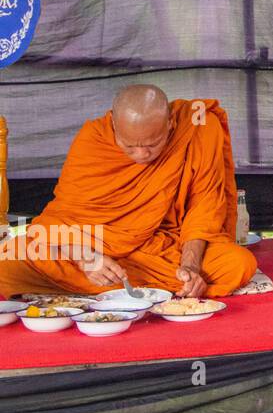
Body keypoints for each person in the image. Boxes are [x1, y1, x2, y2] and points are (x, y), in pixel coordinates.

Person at [0, 85, 256, 298]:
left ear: (170, 123)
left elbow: (205, 206)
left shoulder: (198, 126)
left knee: (238, 264)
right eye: (129, 146)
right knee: (9, 261)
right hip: (100, 247)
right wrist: (85, 258)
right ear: (113, 123)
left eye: (153, 144)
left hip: (169, 249)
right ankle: (151, 289)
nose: (142, 154)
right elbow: (61, 217)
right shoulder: (93, 139)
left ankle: (147, 287)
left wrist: (190, 267)